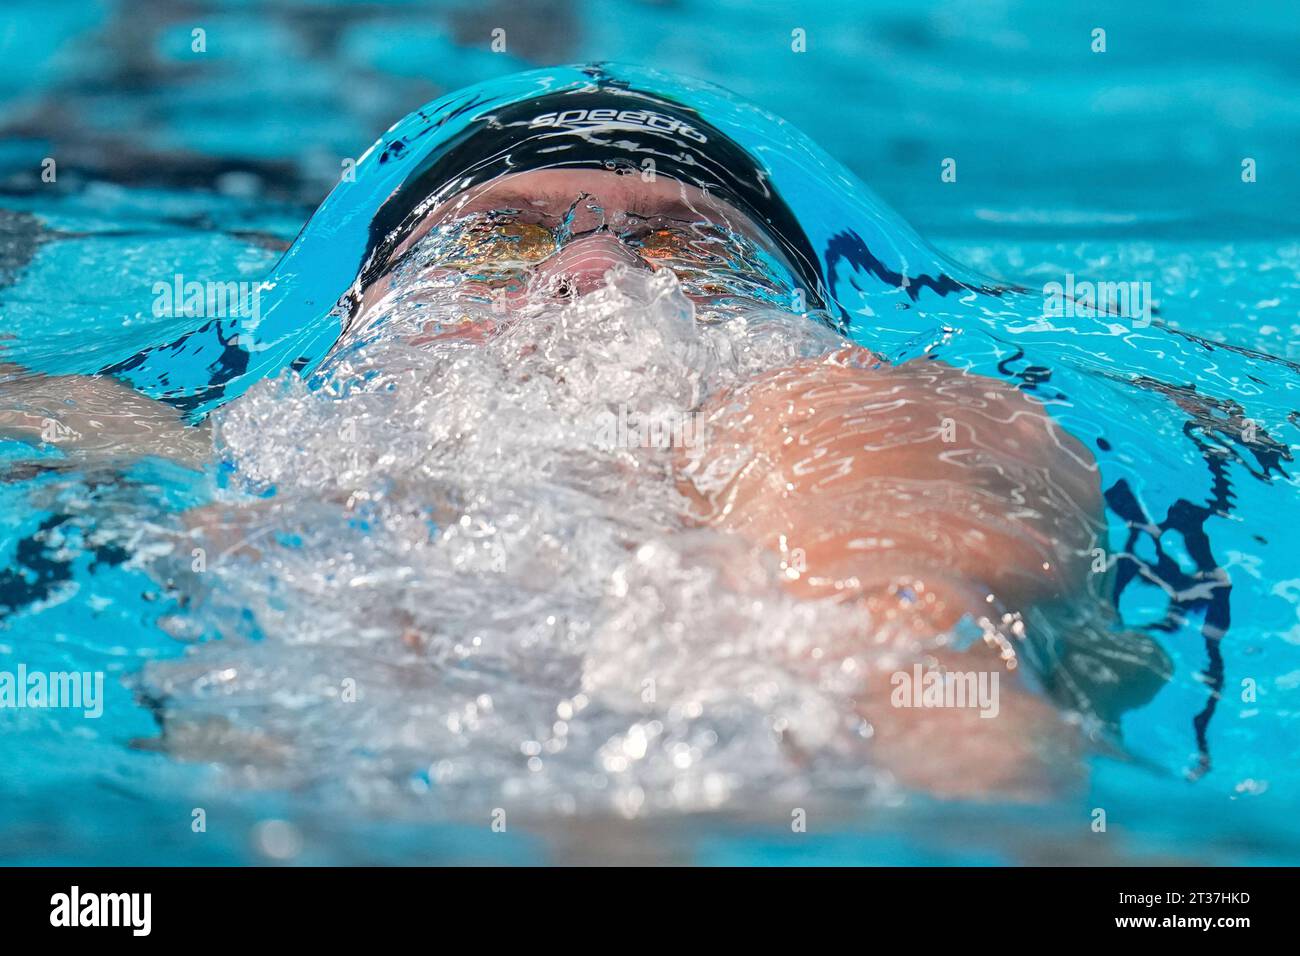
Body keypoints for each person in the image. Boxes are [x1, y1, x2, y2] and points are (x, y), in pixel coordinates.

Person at [0, 74, 1169, 797]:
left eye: (693, 249)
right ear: (359, 313)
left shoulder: (849, 408)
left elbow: (936, 667)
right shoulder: (209, 442)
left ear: (794, 314)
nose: (593, 267)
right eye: (498, 240)